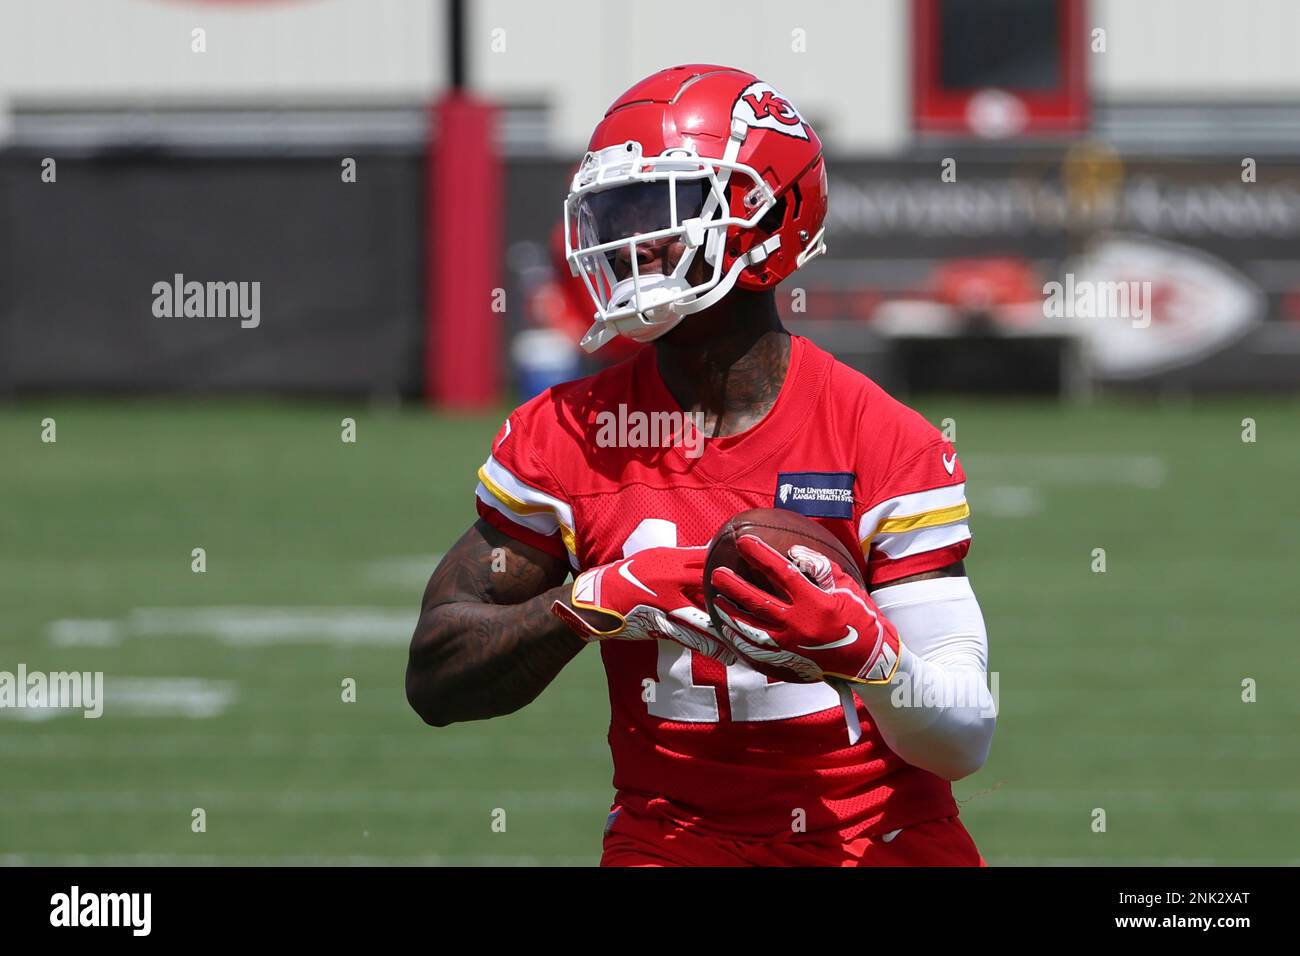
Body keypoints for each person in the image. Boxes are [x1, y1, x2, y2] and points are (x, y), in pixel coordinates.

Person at [406, 64, 996, 866]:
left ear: (768, 216)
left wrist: (873, 658)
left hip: (877, 840)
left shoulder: (882, 439)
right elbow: (438, 679)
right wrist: (591, 599)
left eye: (662, 207)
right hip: (673, 843)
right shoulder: (566, 434)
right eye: (617, 211)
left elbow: (964, 738)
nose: (631, 239)